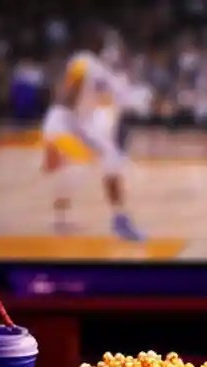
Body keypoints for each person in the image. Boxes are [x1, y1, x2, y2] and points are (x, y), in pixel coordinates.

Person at [39, 26, 144, 242]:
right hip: (62, 120)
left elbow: (125, 102)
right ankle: (60, 215)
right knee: (78, 166)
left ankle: (120, 219)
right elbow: (68, 91)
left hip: (83, 124)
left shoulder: (116, 78)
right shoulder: (83, 60)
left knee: (112, 159)